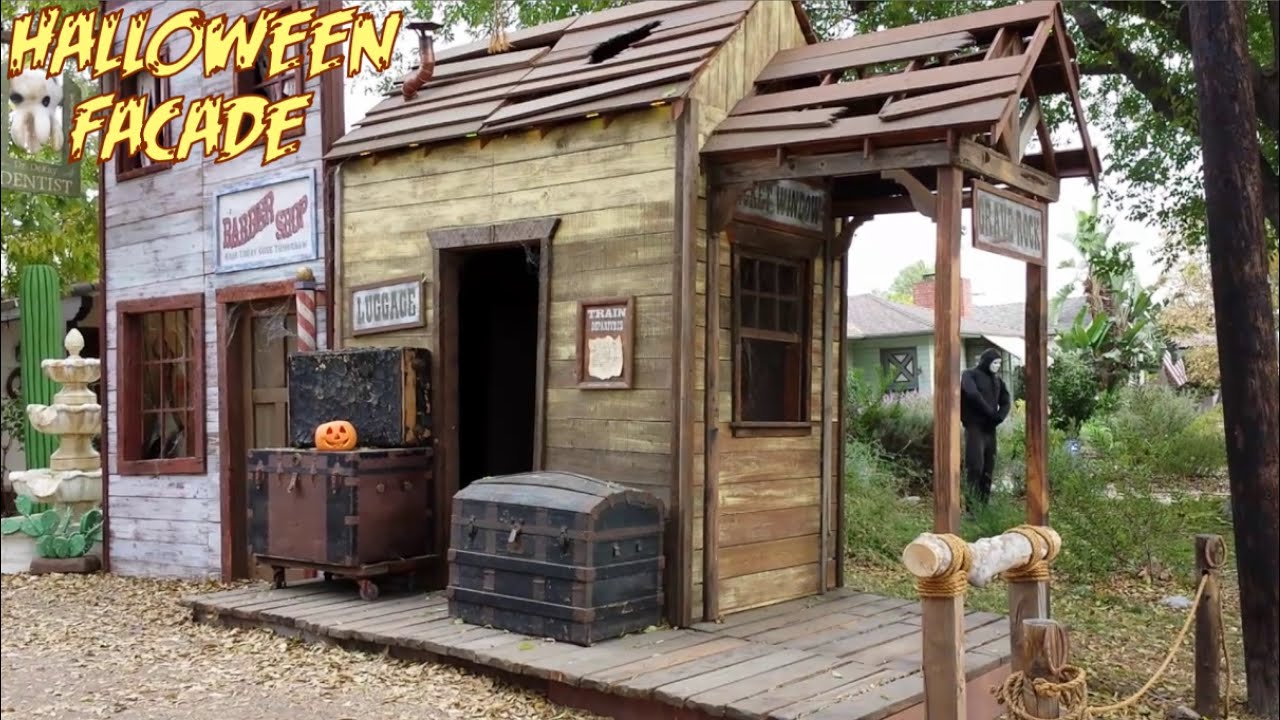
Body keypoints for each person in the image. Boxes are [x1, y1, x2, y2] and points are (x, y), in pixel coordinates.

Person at [960, 348, 1011, 507]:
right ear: (986, 362)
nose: (997, 366)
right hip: (974, 427)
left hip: (990, 429)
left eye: (999, 363)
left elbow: (1006, 400)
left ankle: (983, 506)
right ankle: (971, 507)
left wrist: (999, 417)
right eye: (994, 363)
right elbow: (972, 394)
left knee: (988, 468)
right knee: (975, 466)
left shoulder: (997, 381)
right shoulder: (969, 375)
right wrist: (990, 412)